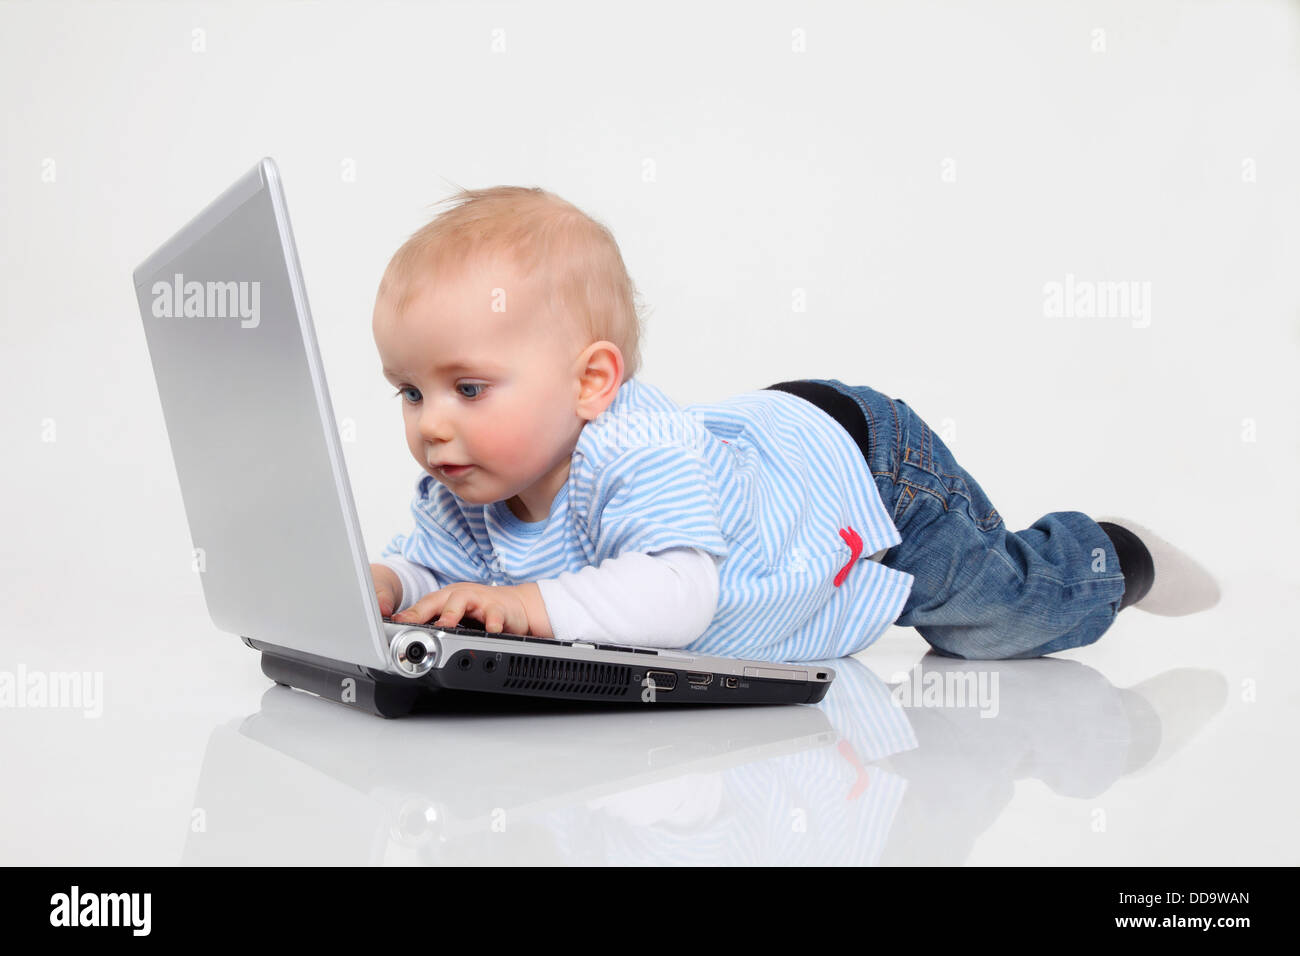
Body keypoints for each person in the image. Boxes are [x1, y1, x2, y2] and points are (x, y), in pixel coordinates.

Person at [369, 186, 1219, 662]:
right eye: (410, 393)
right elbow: (440, 569)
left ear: (593, 381)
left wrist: (527, 604)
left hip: (865, 475)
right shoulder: (468, 483)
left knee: (987, 616)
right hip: (771, 450)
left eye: (467, 389)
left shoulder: (636, 450)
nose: (432, 427)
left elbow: (677, 596)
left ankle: (1115, 556)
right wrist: (393, 585)